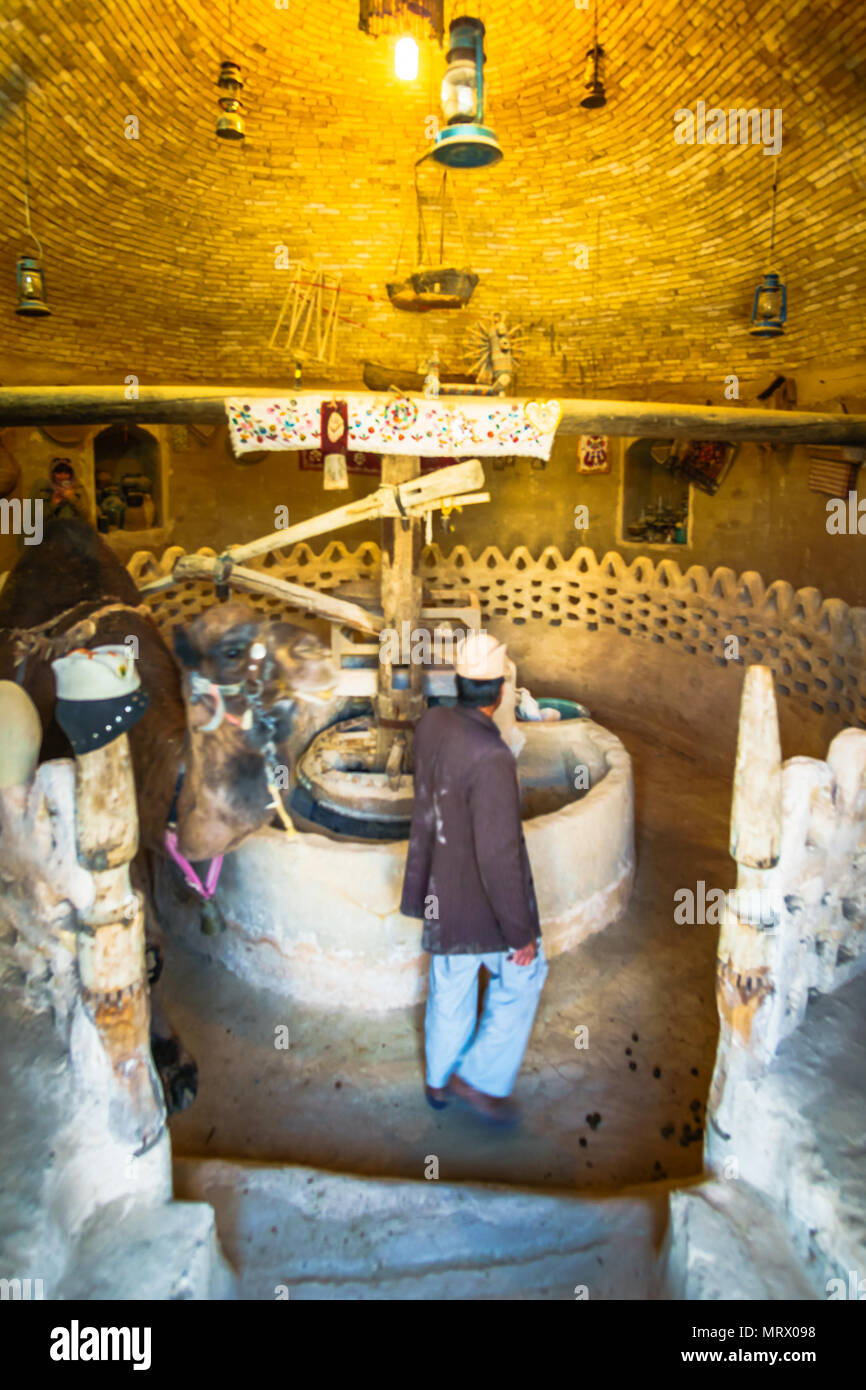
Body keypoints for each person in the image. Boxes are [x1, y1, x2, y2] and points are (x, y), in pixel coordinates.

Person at [401, 631, 548, 1125]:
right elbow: (499, 854)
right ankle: (480, 1078)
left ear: (458, 683)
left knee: (450, 985)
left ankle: (438, 1082)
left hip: (443, 896)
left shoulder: (432, 724)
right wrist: (520, 932)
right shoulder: (493, 758)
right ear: (502, 691)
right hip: (482, 910)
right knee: (525, 975)